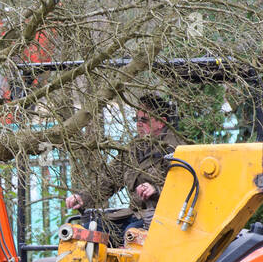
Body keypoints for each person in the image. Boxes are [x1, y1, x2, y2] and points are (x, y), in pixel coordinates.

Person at [65, 94, 181, 229]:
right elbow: (110, 178)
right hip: (137, 215)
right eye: (136, 119)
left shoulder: (177, 149)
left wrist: (155, 189)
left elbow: (183, 185)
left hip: (165, 219)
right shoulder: (135, 147)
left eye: (144, 120)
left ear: (161, 122)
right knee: (93, 229)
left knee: (131, 234)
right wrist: (83, 197)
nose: (139, 124)